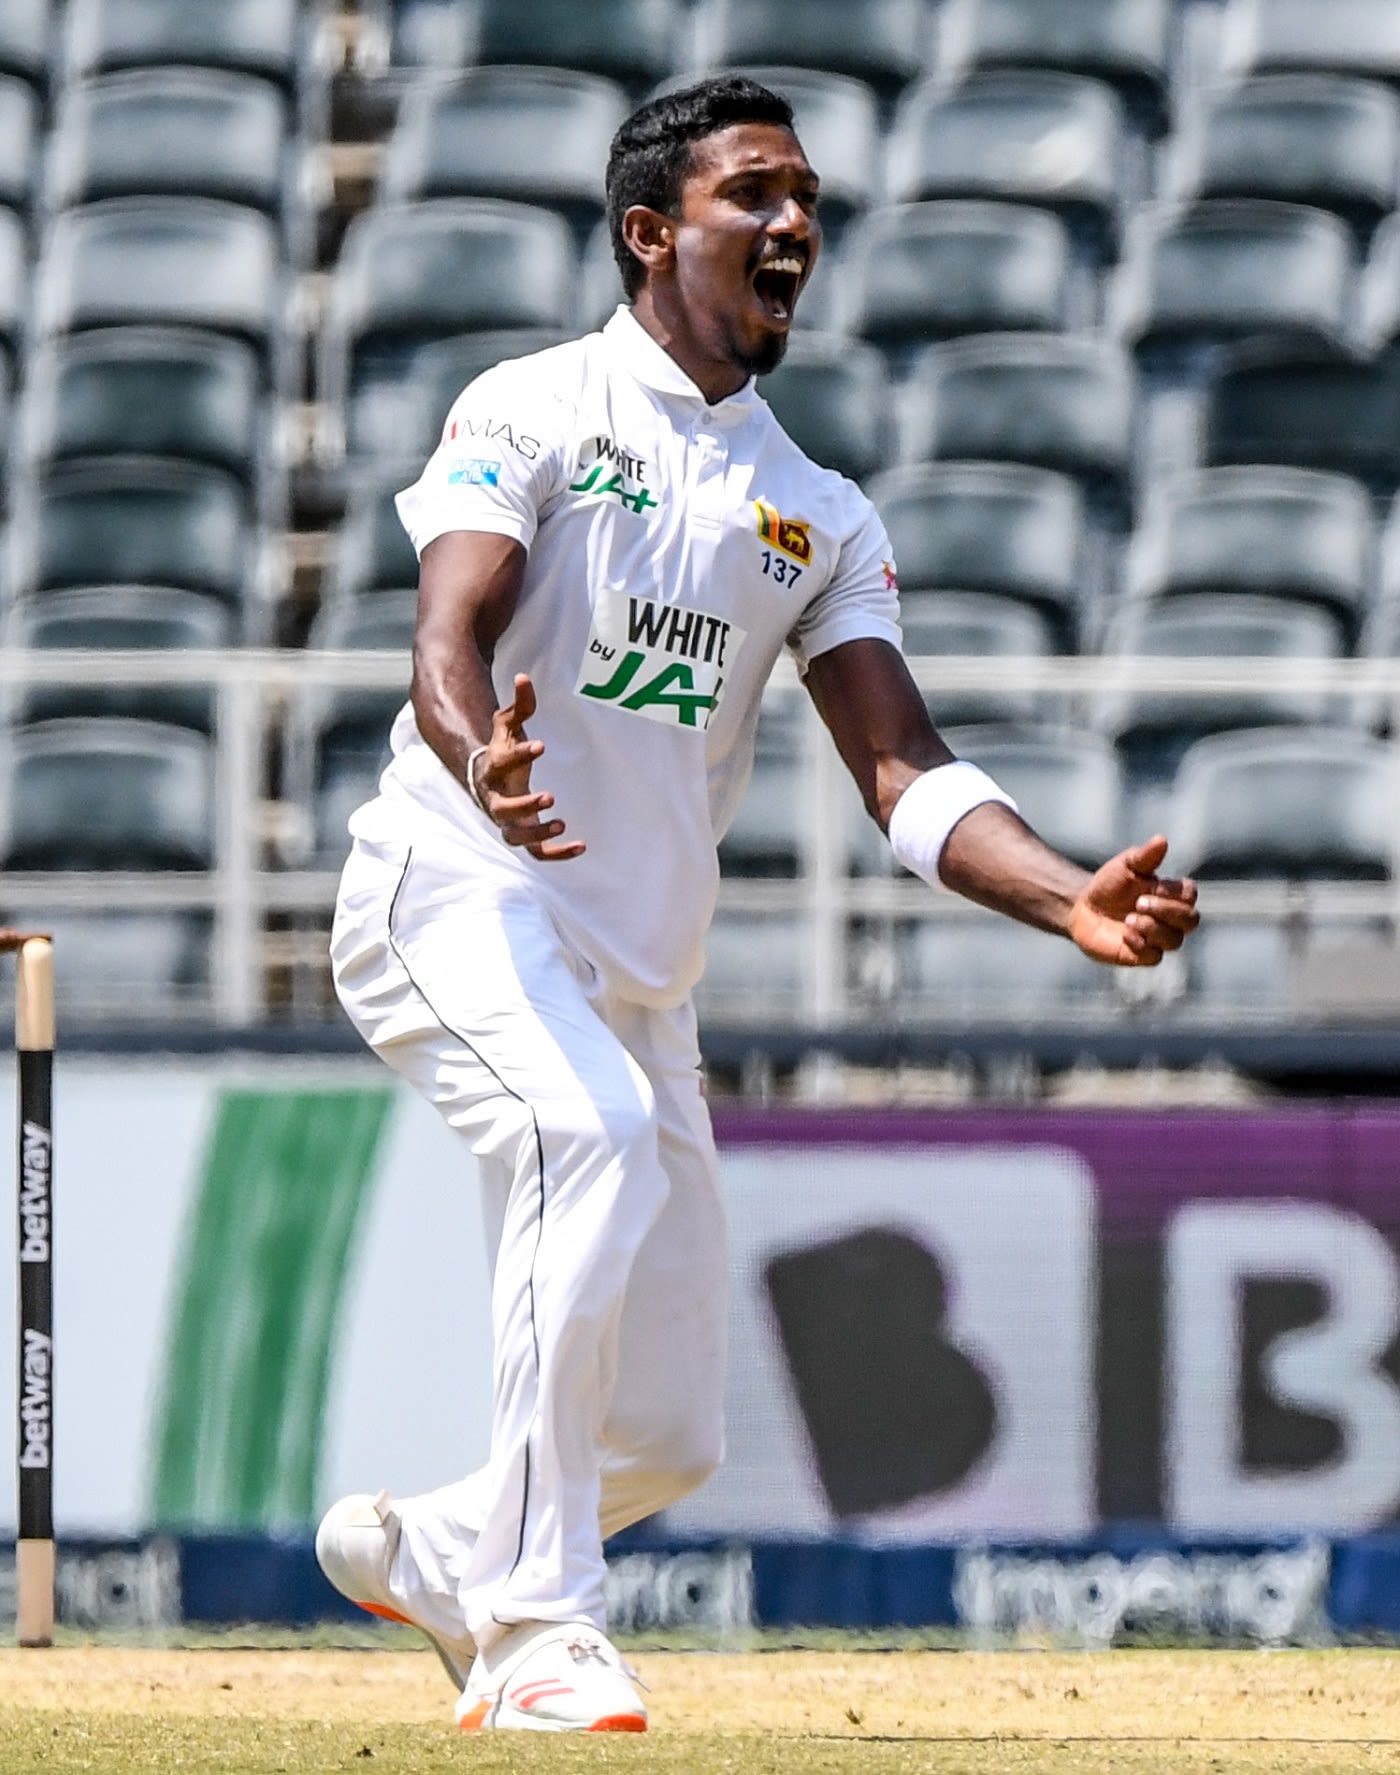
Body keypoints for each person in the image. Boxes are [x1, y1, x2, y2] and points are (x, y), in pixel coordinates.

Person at [316, 74, 1200, 1733]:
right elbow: (450, 627)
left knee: (665, 1433)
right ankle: (532, 1639)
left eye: (808, 201)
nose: (796, 224)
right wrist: (471, 748)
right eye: (755, 196)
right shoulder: (535, 406)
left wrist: (1067, 896)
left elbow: (904, 771)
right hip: (455, 892)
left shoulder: (816, 507)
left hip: (639, 974)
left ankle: (439, 1549)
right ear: (652, 232)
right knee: (575, 1135)